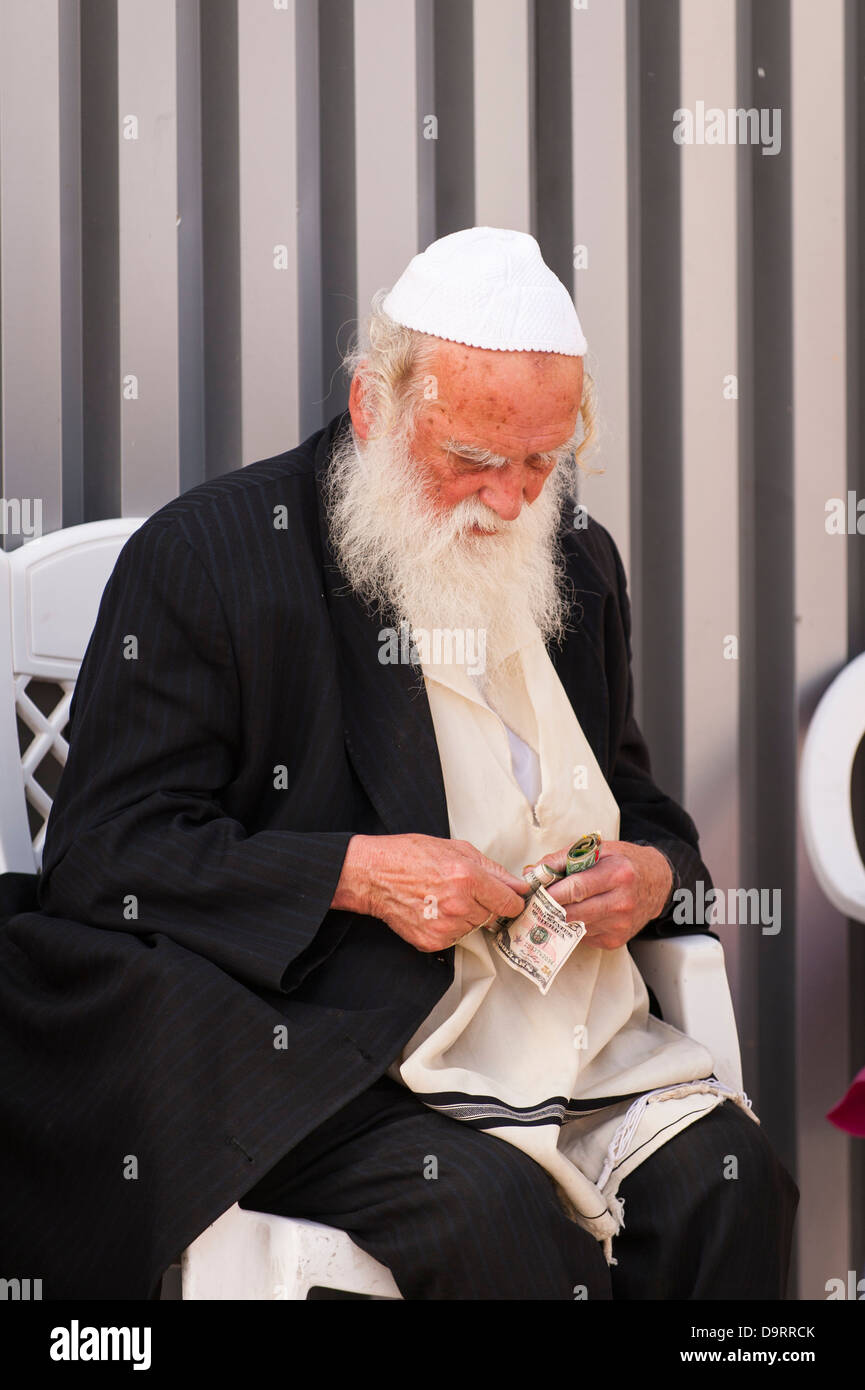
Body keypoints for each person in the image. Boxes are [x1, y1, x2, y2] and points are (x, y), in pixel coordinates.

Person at [0, 227, 797, 1300]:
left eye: (540, 461)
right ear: (375, 404)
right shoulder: (211, 558)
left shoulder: (572, 561)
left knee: (732, 1182)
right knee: (491, 1216)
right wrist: (359, 873)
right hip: (316, 1042)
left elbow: (638, 802)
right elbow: (108, 857)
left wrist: (647, 875)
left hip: (553, 1031)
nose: (511, 501)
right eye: (473, 459)